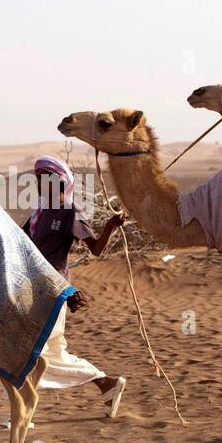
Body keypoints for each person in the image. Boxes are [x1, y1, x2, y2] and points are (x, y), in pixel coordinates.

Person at [23, 155, 128, 417]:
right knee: (49, 355)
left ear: (59, 183)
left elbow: (96, 249)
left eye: (44, 179)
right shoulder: (38, 213)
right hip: (35, 291)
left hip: (54, 291)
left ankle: (21, 413)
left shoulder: (71, 213)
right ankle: (106, 383)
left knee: (29, 354)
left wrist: (110, 226)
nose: (39, 185)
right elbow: (19, 244)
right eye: (37, 179)